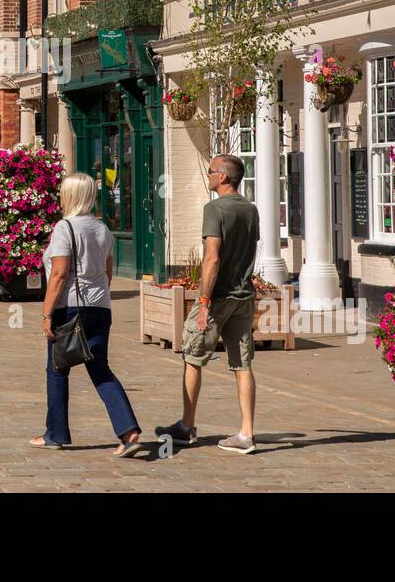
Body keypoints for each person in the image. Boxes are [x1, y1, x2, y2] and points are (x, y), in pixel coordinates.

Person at [29, 172, 144, 457]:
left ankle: (55, 434)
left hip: (69, 308)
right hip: (100, 308)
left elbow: (58, 274)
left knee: (57, 369)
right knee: (100, 368)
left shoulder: (64, 228)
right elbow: (107, 274)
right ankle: (129, 431)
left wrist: (46, 314)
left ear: (69, 196)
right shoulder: (103, 229)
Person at [156, 154, 260, 455]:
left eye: (211, 171)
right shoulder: (251, 210)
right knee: (242, 364)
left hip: (218, 298)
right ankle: (247, 433)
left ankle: (187, 427)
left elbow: (212, 257)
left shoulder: (214, 209)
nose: (208, 175)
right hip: (244, 295)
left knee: (193, 355)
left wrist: (203, 303)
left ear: (224, 178)